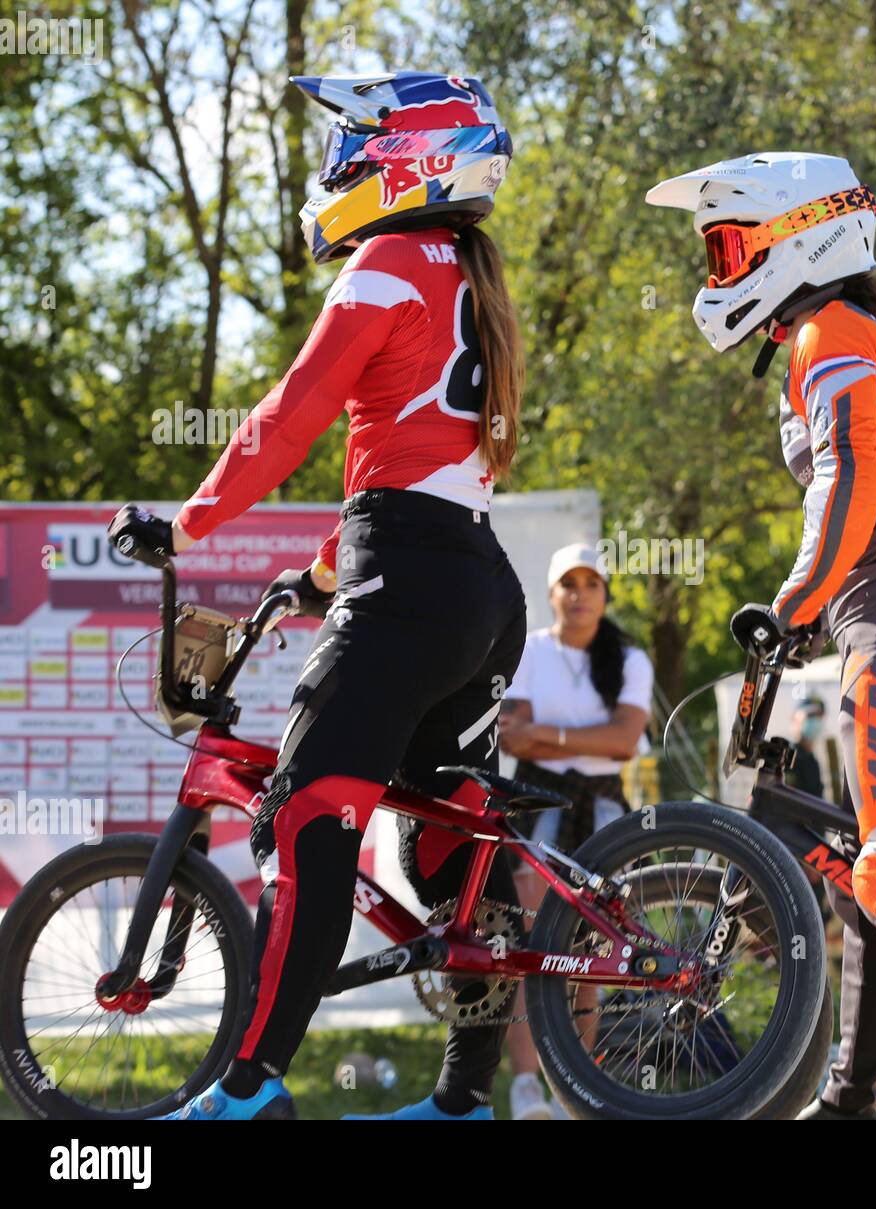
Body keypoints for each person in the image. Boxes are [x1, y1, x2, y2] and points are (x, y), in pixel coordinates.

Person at [109, 70, 526, 1120]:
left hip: (415, 585)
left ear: (404, 162)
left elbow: (291, 416)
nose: (335, 167)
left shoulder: (388, 261)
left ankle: (246, 1092)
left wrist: (187, 521)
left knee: (305, 816)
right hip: (478, 583)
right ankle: (465, 1101)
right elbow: (423, 476)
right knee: (450, 845)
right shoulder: (471, 274)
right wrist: (328, 569)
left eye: (353, 145)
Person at [648, 152, 876, 1120]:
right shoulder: (844, 331)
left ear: (798, 238)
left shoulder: (831, 331)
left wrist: (795, 600)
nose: (715, 273)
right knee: (875, 883)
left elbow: (847, 481)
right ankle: (850, 1100)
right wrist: (821, 618)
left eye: (726, 249)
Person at [497, 543, 654, 1119]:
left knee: (590, 952)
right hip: (537, 800)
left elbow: (624, 741)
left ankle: (575, 1091)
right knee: (529, 943)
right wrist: (584, 735)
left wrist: (552, 736)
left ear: (605, 593)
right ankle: (526, 1089)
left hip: (601, 807)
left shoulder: (629, 659)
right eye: (569, 583)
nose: (579, 594)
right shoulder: (532, 650)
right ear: (553, 593)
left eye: (591, 583)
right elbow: (514, 734)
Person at [788, 696, 827, 798]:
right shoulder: (787, 757)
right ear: (795, 719)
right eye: (810, 716)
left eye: (819, 717)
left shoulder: (812, 760)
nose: (815, 722)